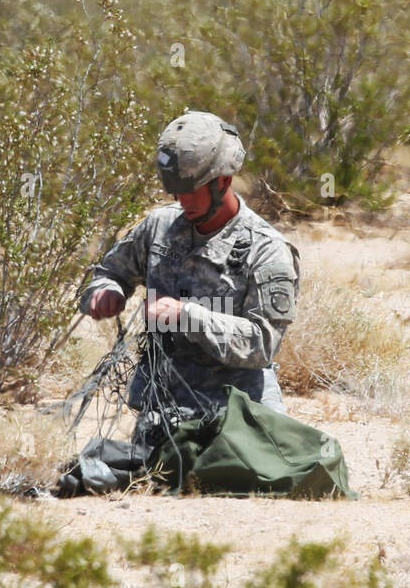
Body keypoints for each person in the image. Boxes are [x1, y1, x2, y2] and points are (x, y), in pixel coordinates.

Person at [79, 110, 301, 419]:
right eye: (178, 193)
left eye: (192, 192)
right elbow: (110, 273)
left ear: (223, 181)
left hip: (239, 411)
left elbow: (263, 343)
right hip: (163, 403)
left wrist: (186, 316)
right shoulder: (160, 226)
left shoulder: (266, 249)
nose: (184, 203)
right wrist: (107, 292)